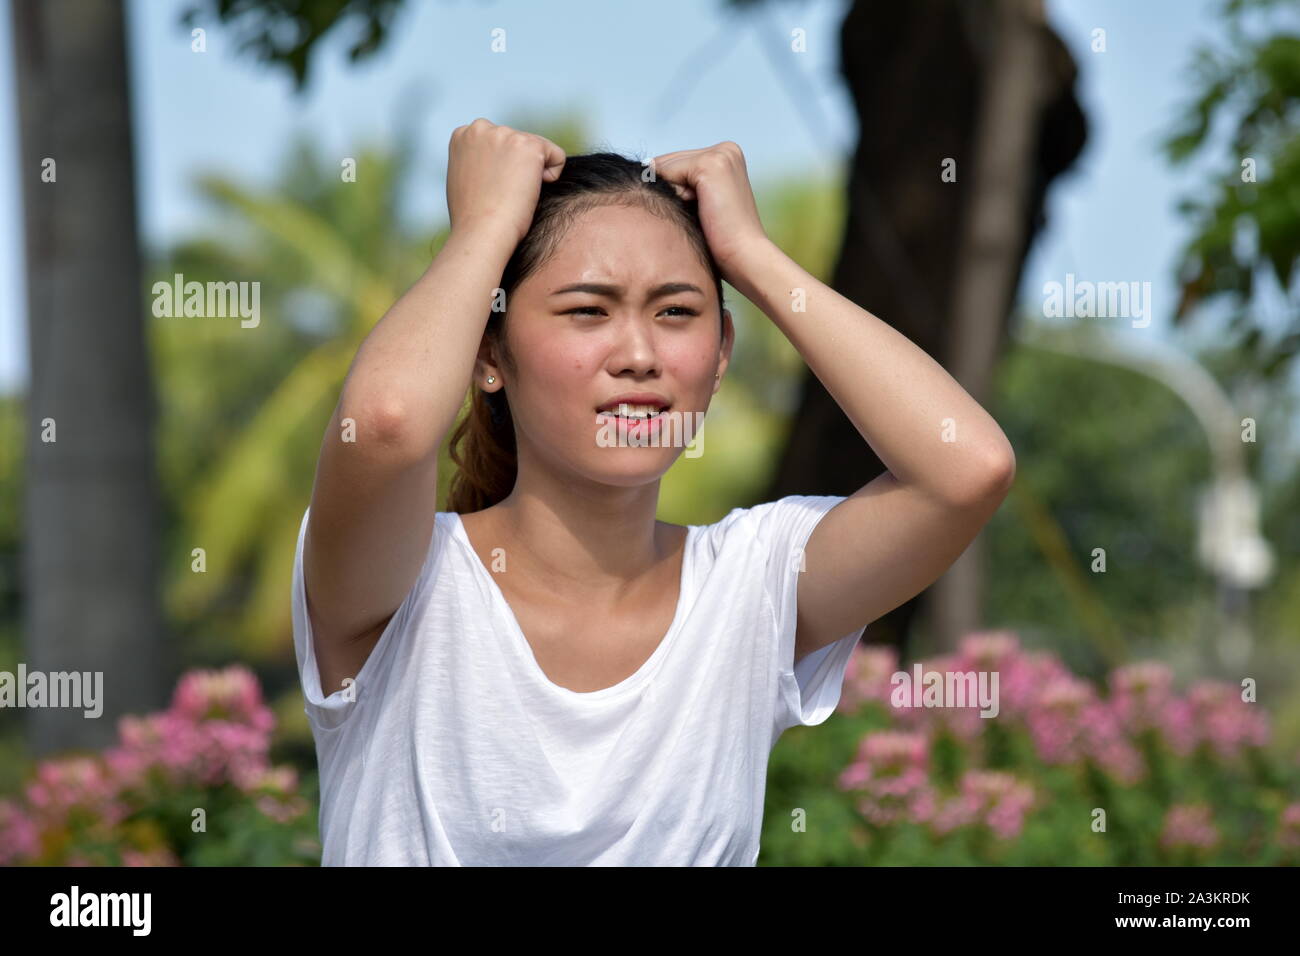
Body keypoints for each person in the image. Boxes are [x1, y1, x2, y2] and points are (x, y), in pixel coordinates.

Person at [290, 119, 1016, 865]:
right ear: (487, 350)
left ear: (721, 352)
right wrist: (484, 226)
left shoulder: (752, 584)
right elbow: (385, 424)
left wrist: (752, 254)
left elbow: (968, 470)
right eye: (587, 311)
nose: (639, 355)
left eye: (676, 312)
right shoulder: (402, 584)